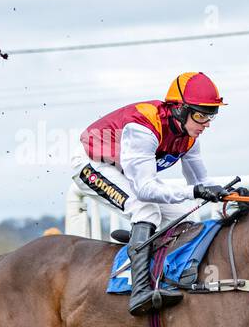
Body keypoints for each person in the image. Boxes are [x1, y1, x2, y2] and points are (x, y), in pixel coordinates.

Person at [72, 71, 232, 314]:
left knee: (184, 214)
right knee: (144, 210)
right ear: (179, 109)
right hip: (92, 164)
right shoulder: (144, 128)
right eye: (201, 115)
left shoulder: (189, 136)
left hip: (121, 167)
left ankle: (160, 265)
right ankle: (140, 291)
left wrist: (228, 194)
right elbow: (146, 189)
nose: (206, 124)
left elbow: (201, 181)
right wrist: (196, 191)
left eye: (211, 116)